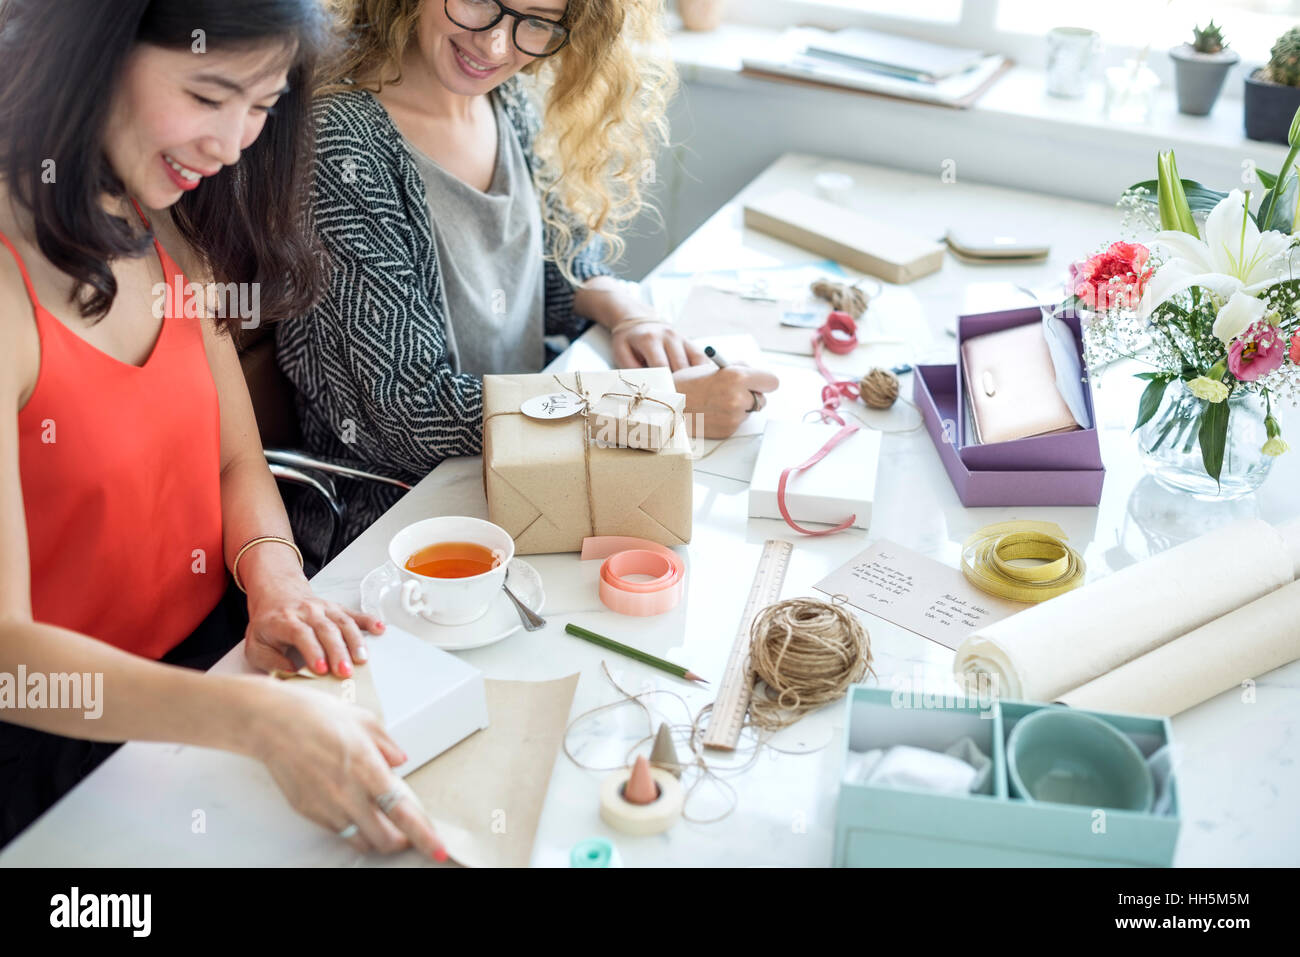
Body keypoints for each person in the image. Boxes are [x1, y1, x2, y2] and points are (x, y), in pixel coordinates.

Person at [0, 0, 443, 859]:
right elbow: (10, 657)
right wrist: (253, 720)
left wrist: (274, 579)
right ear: (91, 54)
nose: (234, 141)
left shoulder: (157, 218)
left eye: (262, 105)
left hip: (216, 667)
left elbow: (237, 461)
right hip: (60, 745)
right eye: (208, 95)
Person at [276, 0, 779, 552]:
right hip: (401, 520)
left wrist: (626, 311)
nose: (495, 46)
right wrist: (652, 408)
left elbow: (549, 261)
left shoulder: (502, 94)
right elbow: (408, 416)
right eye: (478, 2)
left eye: (538, 20)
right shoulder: (343, 142)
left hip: (531, 476)